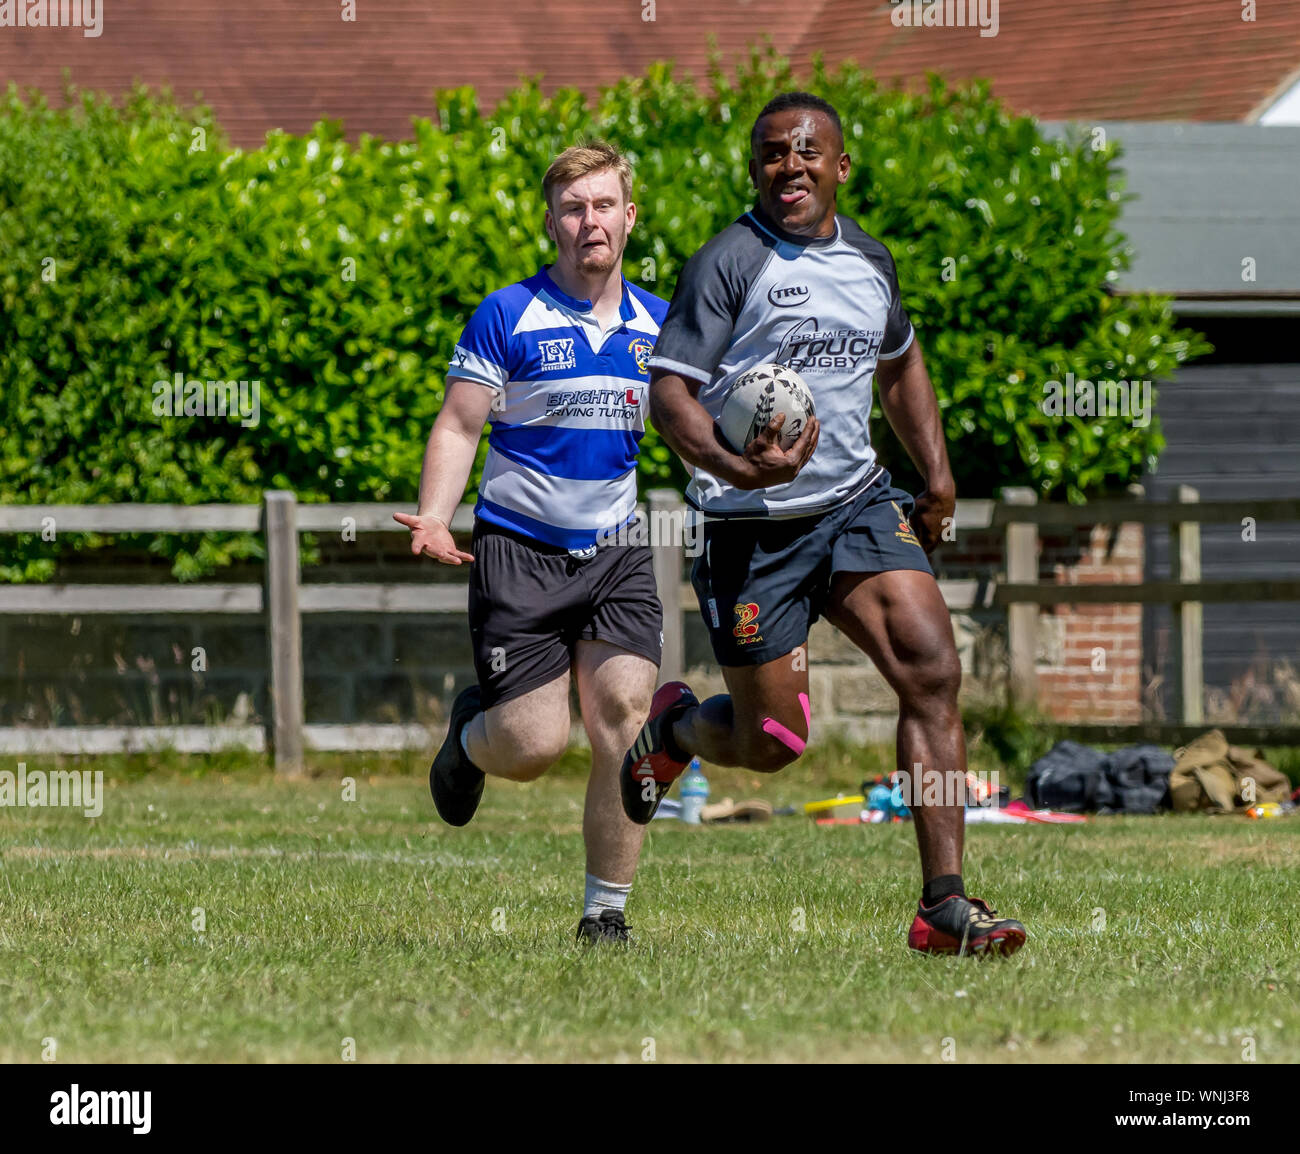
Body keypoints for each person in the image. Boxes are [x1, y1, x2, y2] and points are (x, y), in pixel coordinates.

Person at [620, 92, 1027, 957]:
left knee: (933, 668)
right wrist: (734, 466)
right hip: (751, 530)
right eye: (773, 154)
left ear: (840, 166)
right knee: (772, 743)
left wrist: (939, 476)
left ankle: (942, 906)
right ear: (756, 168)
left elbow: (901, 364)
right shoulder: (728, 263)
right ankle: (678, 728)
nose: (790, 167)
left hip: (856, 504)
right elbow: (669, 393)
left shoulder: (870, 262)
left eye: (808, 154)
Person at [395, 142, 669, 945]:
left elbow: (696, 429)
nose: (592, 221)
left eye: (605, 205)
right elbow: (458, 423)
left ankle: (605, 913)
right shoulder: (509, 313)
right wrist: (436, 515)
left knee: (623, 712)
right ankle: (470, 739)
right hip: (518, 549)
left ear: (629, 215)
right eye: (575, 207)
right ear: (552, 221)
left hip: (617, 550)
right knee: (532, 746)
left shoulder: (661, 323)